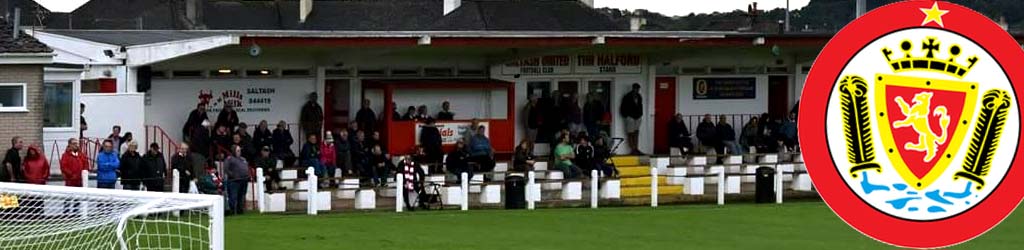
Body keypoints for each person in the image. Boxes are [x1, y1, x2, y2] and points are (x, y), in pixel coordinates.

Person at [224, 145, 250, 215]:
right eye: (238, 150)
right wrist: (233, 175)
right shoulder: (229, 159)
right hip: (234, 181)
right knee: (233, 196)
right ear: (234, 151)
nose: (239, 152)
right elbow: (226, 169)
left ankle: (240, 209)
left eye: (240, 150)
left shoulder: (243, 159)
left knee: (241, 196)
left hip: (243, 180)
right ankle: (232, 211)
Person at [619, 83, 644, 155]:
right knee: (630, 133)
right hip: (630, 117)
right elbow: (623, 107)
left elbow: (640, 105)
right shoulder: (627, 96)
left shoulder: (639, 96)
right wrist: (626, 115)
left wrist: (641, 114)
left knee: (636, 133)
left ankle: (636, 148)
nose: (637, 90)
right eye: (636, 88)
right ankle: (633, 149)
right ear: (633, 88)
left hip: (638, 117)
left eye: (638, 89)